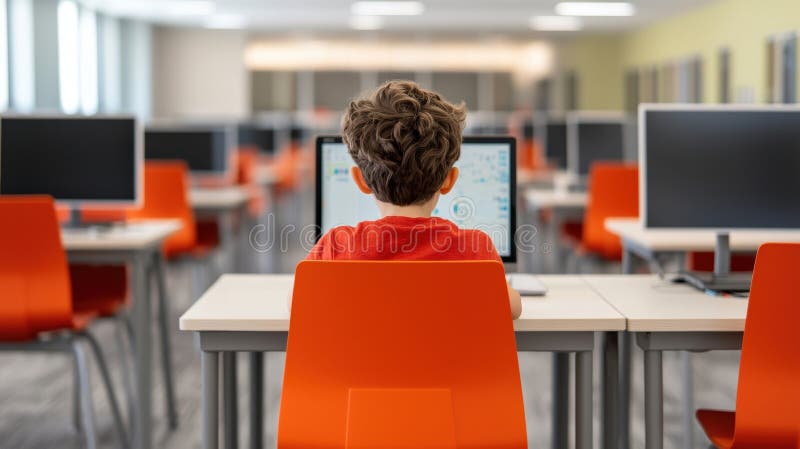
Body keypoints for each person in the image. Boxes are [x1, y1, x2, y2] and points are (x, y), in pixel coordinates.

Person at [305, 80, 522, 319]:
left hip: (363, 357)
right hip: (444, 358)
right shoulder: (474, 249)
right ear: (449, 180)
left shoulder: (336, 246)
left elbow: (297, 301)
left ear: (361, 181)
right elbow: (512, 307)